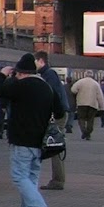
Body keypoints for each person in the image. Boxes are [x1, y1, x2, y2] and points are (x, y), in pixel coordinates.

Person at [0, 52, 64, 207]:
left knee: (19, 176)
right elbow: (61, 111)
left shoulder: (20, 86)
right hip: (40, 141)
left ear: (21, 73)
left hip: (21, 138)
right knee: (31, 177)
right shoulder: (47, 87)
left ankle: (38, 206)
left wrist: (2, 74)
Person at [35, 52, 68, 191]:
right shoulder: (48, 74)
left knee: (54, 145)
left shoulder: (49, 74)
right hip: (58, 113)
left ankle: (58, 180)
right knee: (54, 145)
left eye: (35, 62)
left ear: (41, 61)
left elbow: (52, 94)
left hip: (57, 115)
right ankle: (57, 179)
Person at [69, 70, 104, 140]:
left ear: (85, 75)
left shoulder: (80, 82)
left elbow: (73, 90)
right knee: (90, 120)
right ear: (92, 75)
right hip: (92, 104)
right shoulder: (96, 84)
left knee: (81, 119)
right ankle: (88, 133)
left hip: (81, 103)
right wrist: (102, 107)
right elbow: (100, 96)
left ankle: (84, 131)